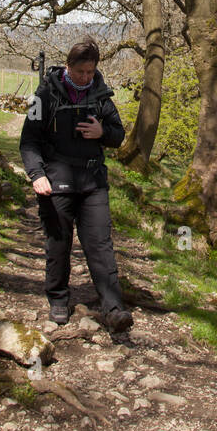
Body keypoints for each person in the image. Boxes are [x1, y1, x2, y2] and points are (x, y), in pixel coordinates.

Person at [19, 37, 133, 332]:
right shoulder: (44, 97)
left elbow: (118, 136)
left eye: (90, 72)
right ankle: (58, 299)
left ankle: (114, 308)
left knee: (100, 244)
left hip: (93, 181)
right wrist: (37, 174)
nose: (85, 77)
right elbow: (28, 141)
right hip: (56, 182)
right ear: (67, 67)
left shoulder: (101, 96)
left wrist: (102, 132)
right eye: (80, 71)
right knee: (58, 243)